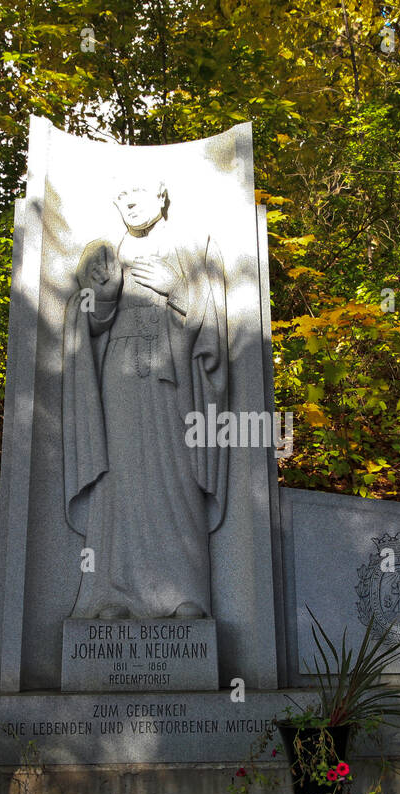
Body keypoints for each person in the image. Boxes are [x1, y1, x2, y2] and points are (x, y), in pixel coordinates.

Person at [61, 177, 229, 619]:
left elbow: (213, 324)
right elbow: (85, 326)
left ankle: (185, 594)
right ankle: (114, 595)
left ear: (160, 197)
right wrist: (103, 298)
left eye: (137, 195)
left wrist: (179, 288)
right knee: (121, 482)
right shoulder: (104, 254)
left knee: (177, 476)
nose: (129, 204)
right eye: (121, 198)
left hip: (174, 380)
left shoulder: (192, 246)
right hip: (119, 378)